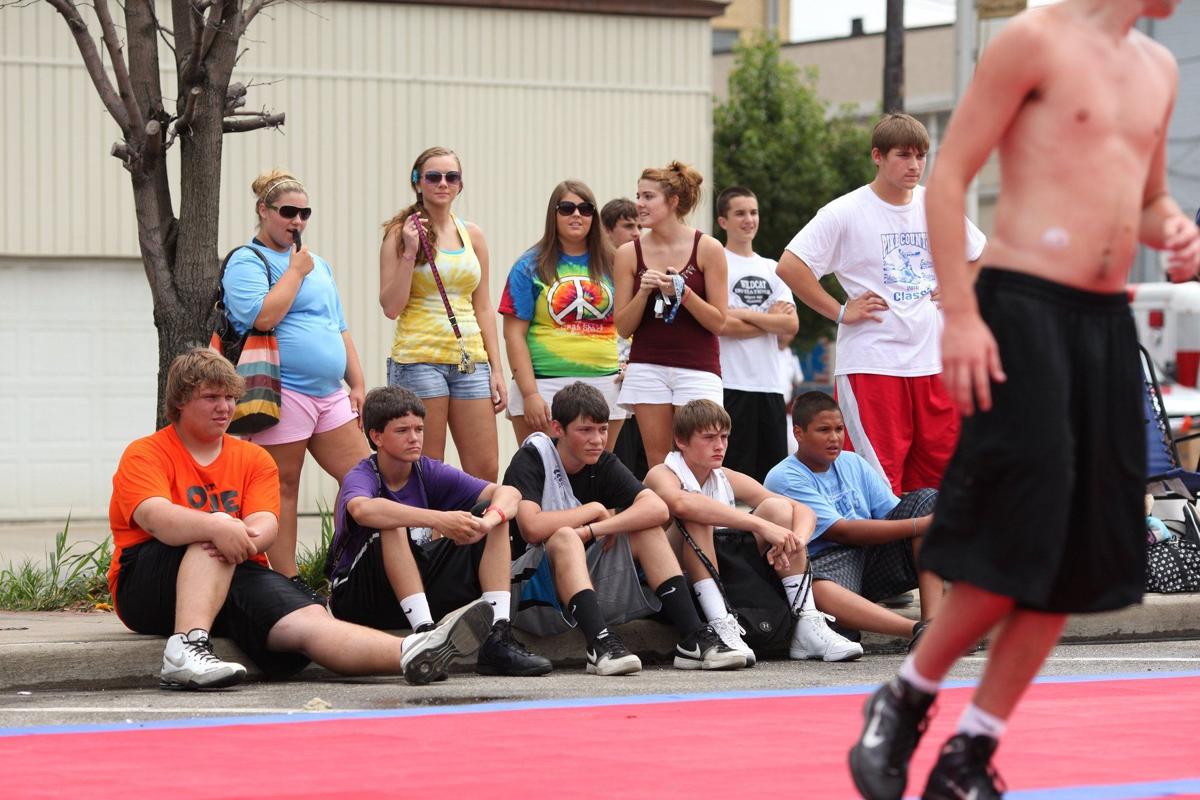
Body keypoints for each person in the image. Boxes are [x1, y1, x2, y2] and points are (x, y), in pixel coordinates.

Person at [848, 3, 1200, 799]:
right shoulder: (1033, 40)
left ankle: (971, 749)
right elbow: (949, 182)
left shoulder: (1159, 68)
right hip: (1023, 308)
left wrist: (1175, 227)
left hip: (1103, 324)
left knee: (1079, 556)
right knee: (1019, 533)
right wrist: (962, 314)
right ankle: (905, 697)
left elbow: (1148, 199)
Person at [108, 348, 494, 689]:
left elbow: (266, 526)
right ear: (179, 402)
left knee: (308, 619)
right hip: (148, 580)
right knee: (212, 535)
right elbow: (155, 518)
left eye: (230, 397)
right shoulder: (147, 453)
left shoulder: (252, 458)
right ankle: (186, 647)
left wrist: (237, 535)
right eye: (211, 398)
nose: (224, 407)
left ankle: (415, 649)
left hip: (234, 565)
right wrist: (219, 526)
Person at [777, 115, 987, 495]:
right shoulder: (844, 212)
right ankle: (882, 539)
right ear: (878, 156)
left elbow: (980, 255)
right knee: (879, 483)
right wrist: (841, 311)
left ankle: (931, 539)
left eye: (921, 156)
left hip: (935, 361)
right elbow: (791, 265)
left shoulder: (936, 204)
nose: (915, 165)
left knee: (941, 481)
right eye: (904, 155)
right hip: (874, 364)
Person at [502, 382, 745, 674]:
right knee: (565, 536)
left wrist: (599, 528)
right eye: (585, 430)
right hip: (529, 591)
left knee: (647, 528)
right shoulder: (533, 457)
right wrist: (593, 511)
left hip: (579, 585)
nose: (597, 440)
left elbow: (657, 509)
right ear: (558, 428)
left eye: (602, 429)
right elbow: (531, 528)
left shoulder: (603, 462)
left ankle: (693, 638)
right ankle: (600, 644)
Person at [328, 386, 552, 677]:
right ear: (377, 437)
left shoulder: (427, 471)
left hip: (411, 591)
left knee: (493, 514)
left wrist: (486, 523)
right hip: (357, 597)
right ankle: (425, 637)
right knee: (390, 520)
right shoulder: (362, 474)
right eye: (402, 430)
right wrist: (439, 520)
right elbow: (363, 510)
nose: (414, 438)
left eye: (419, 429)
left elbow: (509, 493)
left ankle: (497, 637)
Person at [222, 169, 369, 582]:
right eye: (288, 212)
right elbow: (263, 317)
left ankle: (344, 567)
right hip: (282, 391)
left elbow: (339, 326)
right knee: (283, 485)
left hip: (330, 393)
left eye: (305, 213)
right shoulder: (247, 261)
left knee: (364, 478)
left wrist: (357, 383)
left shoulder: (317, 264)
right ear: (263, 210)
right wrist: (295, 272)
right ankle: (287, 580)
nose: (297, 221)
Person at [644, 400, 863, 665]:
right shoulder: (662, 473)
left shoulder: (723, 475)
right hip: (670, 581)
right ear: (681, 441)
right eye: (709, 438)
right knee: (698, 512)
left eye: (724, 437)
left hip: (721, 570)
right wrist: (761, 526)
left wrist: (794, 541)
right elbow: (682, 504)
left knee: (778, 509)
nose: (719, 445)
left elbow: (804, 511)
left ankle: (806, 621)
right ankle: (720, 623)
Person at [765, 391, 942, 648]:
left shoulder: (852, 462)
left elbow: (894, 514)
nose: (835, 438)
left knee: (926, 501)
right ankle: (918, 631)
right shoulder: (784, 476)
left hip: (869, 556)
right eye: (824, 430)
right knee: (814, 592)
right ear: (799, 433)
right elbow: (842, 531)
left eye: (839, 429)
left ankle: (934, 623)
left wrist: (927, 522)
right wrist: (921, 525)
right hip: (824, 562)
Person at [380, 146, 507, 482]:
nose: (443, 183)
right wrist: (409, 253)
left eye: (452, 177)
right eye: (433, 176)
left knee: (485, 468)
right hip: (419, 358)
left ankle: (477, 520)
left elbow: (483, 306)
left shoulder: (472, 234)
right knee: (426, 466)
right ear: (417, 182)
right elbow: (391, 307)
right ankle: (429, 520)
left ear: (460, 184)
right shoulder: (399, 232)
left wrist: (497, 368)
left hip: (469, 358)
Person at [614, 161, 728, 468]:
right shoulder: (628, 253)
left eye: (648, 196)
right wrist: (643, 293)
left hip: (698, 365)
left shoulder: (708, 248)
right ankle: (666, 504)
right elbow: (623, 327)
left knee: (702, 457)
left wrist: (684, 293)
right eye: (638, 195)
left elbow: (719, 321)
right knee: (660, 462)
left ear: (673, 201)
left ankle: (700, 504)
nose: (639, 204)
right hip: (647, 365)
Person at [500, 181, 626, 449]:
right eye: (567, 208)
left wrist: (632, 362)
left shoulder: (616, 262)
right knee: (542, 468)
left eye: (585, 209)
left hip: (605, 382)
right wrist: (530, 394)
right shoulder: (528, 265)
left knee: (597, 469)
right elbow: (514, 334)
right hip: (543, 384)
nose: (577, 215)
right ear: (553, 214)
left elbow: (634, 319)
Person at [715, 187, 799, 483]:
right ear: (723, 221)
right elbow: (719, 323)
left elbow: (790, 326)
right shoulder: (717, 262)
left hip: (771, 386)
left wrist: (744, 314)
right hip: (730, 384)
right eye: (740, 213)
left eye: (753, 212)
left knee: (771, 478)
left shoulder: (772, 268)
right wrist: (769, 320)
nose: (749, 219)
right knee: (733, 476)